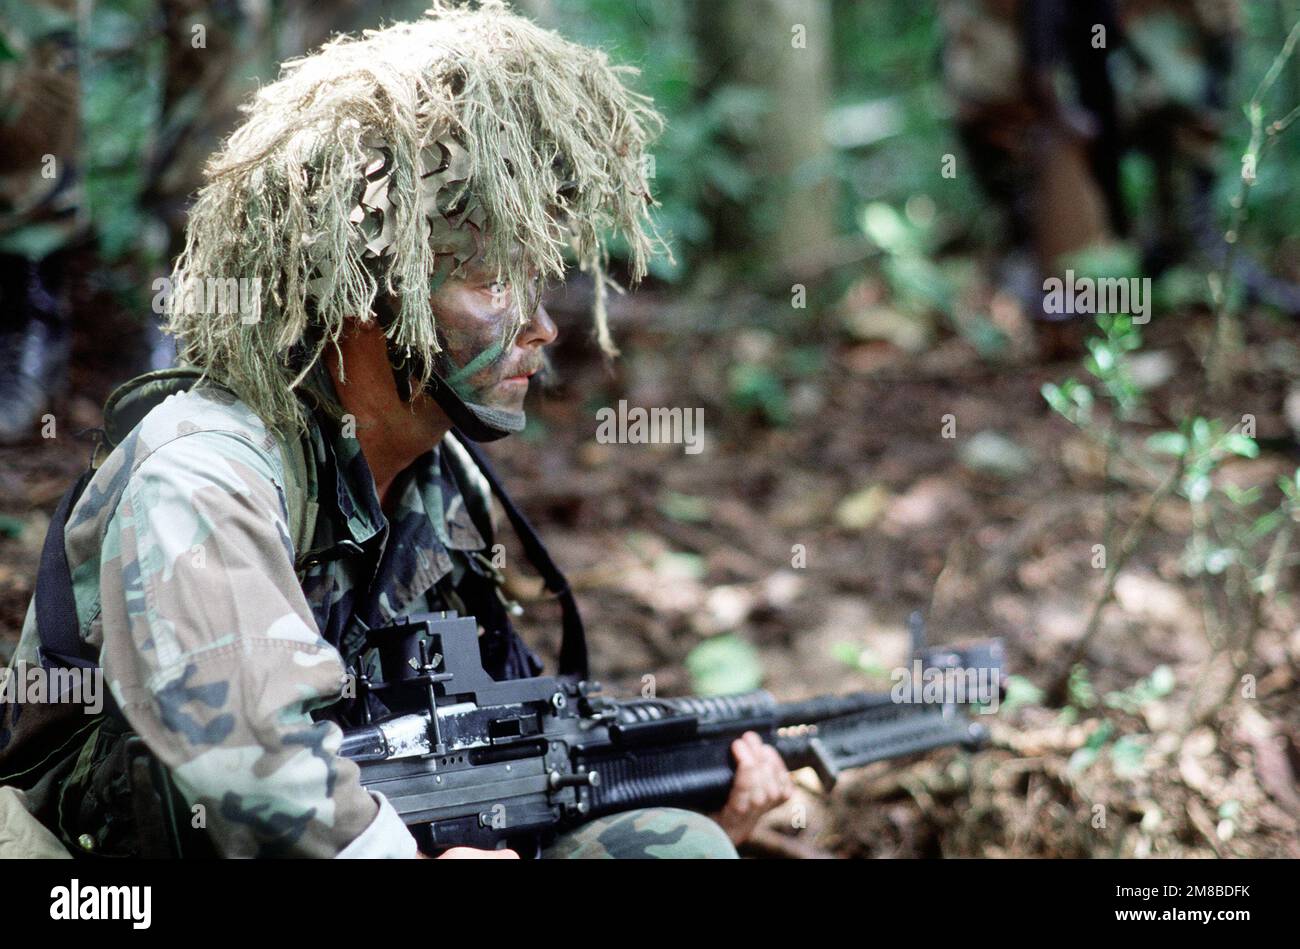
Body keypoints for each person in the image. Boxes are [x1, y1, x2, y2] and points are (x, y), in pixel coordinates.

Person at [0, 1, 793, 858]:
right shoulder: (201, 473)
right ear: (364, 295)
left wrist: (692, 801)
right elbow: (247, 768)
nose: (542, 327)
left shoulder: (435, 478)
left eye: (539, 276)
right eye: (491, 280)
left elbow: (495, 735)